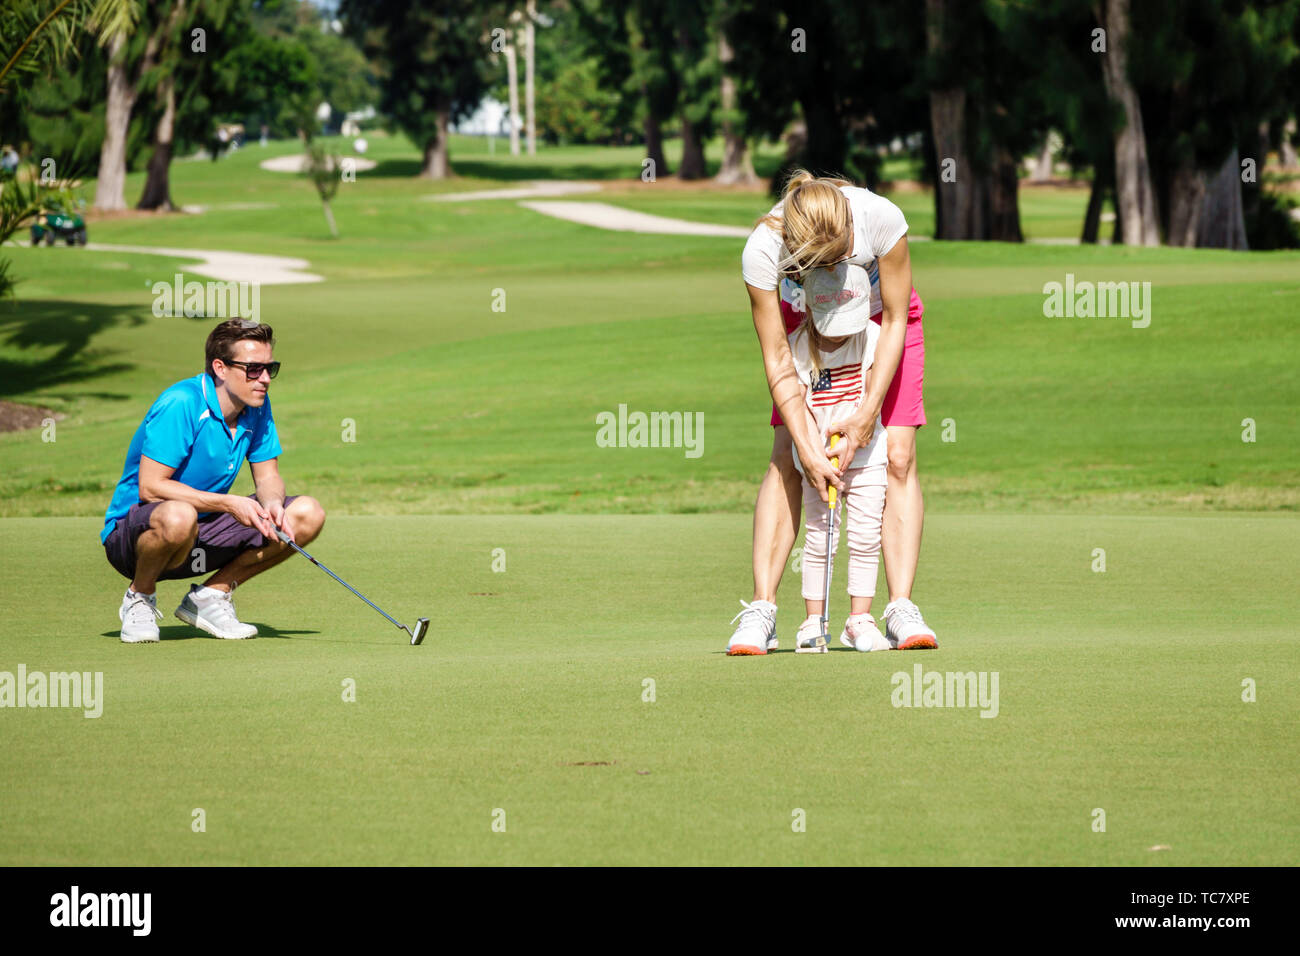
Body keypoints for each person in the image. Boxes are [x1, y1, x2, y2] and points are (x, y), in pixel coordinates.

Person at [726, 169, 937, 654]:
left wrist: (866, 415)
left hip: (883, 316)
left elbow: (899, 316)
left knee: (899, 454)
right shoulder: (762, 251)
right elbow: (777, 356)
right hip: (806, 316)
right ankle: (763, 610)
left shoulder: (880, 218)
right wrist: (809, 447)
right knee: (789, 455)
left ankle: (899, 607)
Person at [100, 319, 326, 643]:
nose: (264, 379)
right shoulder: (182, 402)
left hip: (201, 532)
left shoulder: (256, 407)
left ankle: (209, 598)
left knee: (307, 513)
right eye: (253, 369)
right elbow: (151, 487)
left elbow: (268, 476)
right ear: (220, 368)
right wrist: (230, 503)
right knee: (180, 515)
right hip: (136, 536)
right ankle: (140, 596)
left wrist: (273, 503)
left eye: (269, 369)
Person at [787, 263, 895, 653]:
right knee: (819, 538)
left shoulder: (872, 337)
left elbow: (871, 399)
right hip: (818, 462)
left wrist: (850, 442)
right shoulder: (798, 345)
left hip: (866, 455)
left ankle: (859, 620)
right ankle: (813, 621)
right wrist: (813, 454)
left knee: (865, 537)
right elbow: (796, 405)